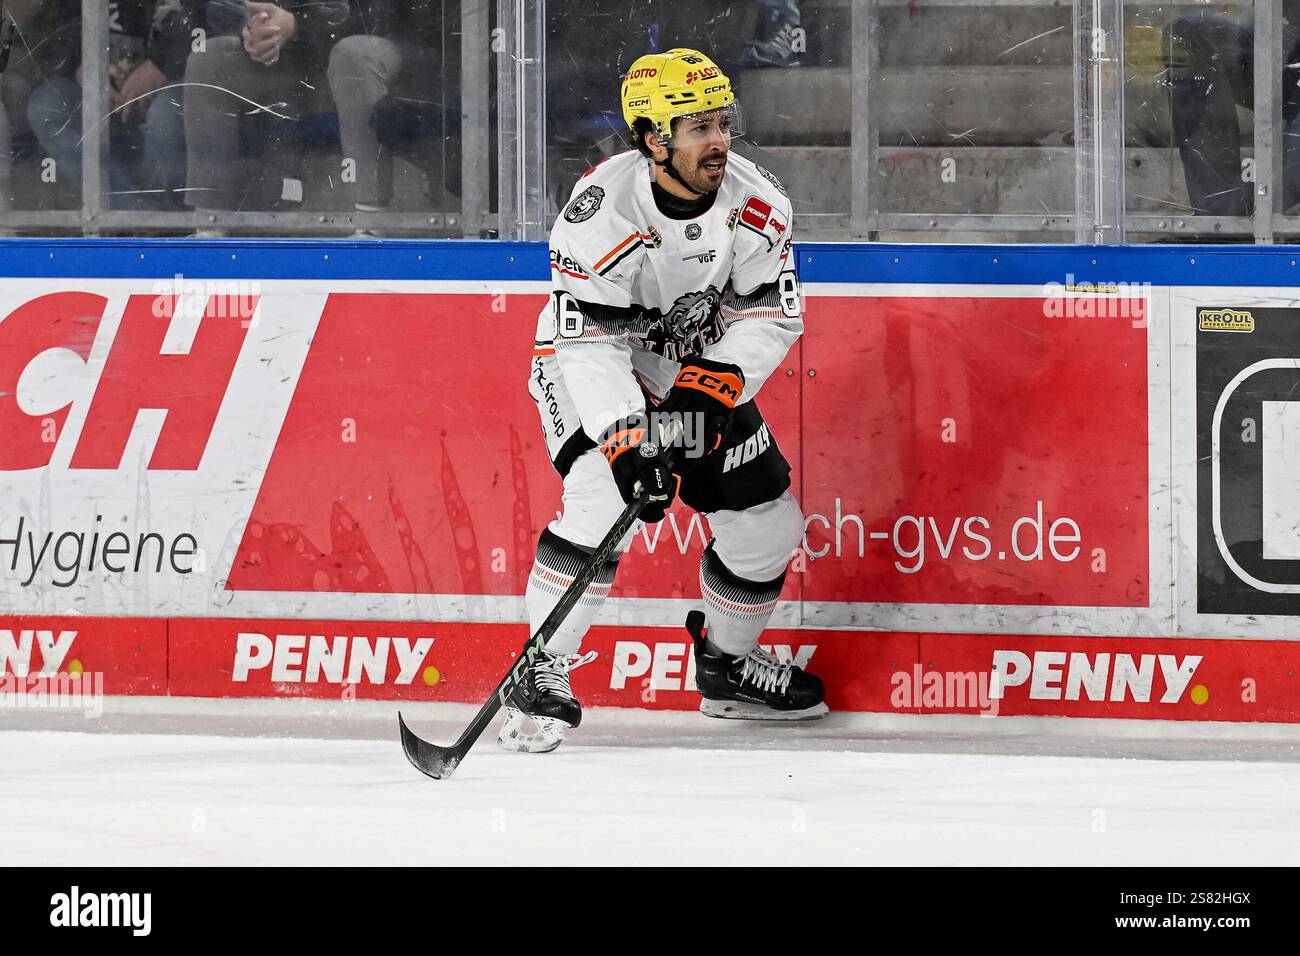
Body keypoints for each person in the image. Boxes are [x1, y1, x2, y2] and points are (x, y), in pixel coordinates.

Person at [506, 47, 824, 754]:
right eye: (699, 126)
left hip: (696, 366)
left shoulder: (760, 203)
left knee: (770, 525)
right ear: (654, 139)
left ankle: (728, 668)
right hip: (590, 365)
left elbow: (771, 314)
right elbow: (588, 342)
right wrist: (627, 443)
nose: (719, 139)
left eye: (723, 121)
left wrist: (711, 394)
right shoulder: (598, 213)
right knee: (601, 498)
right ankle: (541, 670)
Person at [182, 0, 350, 213]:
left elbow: (362, 15)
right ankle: (210, 218)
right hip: (253, 59)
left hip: (325, 67)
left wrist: (295, 24)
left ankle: (368, 222)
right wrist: (250, 27)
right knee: (206, 60)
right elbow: (203, 10)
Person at [1166, 7, 1300, 216]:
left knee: (1294, 169)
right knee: (1188, 29)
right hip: (1285, 39)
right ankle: (1220, 208)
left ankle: (1254, 212)